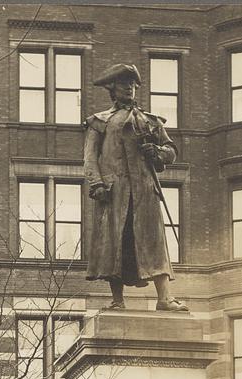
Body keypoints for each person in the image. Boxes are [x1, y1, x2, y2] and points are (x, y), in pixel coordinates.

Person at [84, 63, 189, 311]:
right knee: (115, 243)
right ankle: (117, 300)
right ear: (113, 89)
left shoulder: (150, 121)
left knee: (153, 241)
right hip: (114, 192)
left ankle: (164, 298)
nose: (129, 88)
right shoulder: (100, 122)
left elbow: (172, 151)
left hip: (144, 192)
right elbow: (90, 157)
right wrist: (97, 183)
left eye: (132, 85)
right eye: (124, 84)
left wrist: (158, 152)